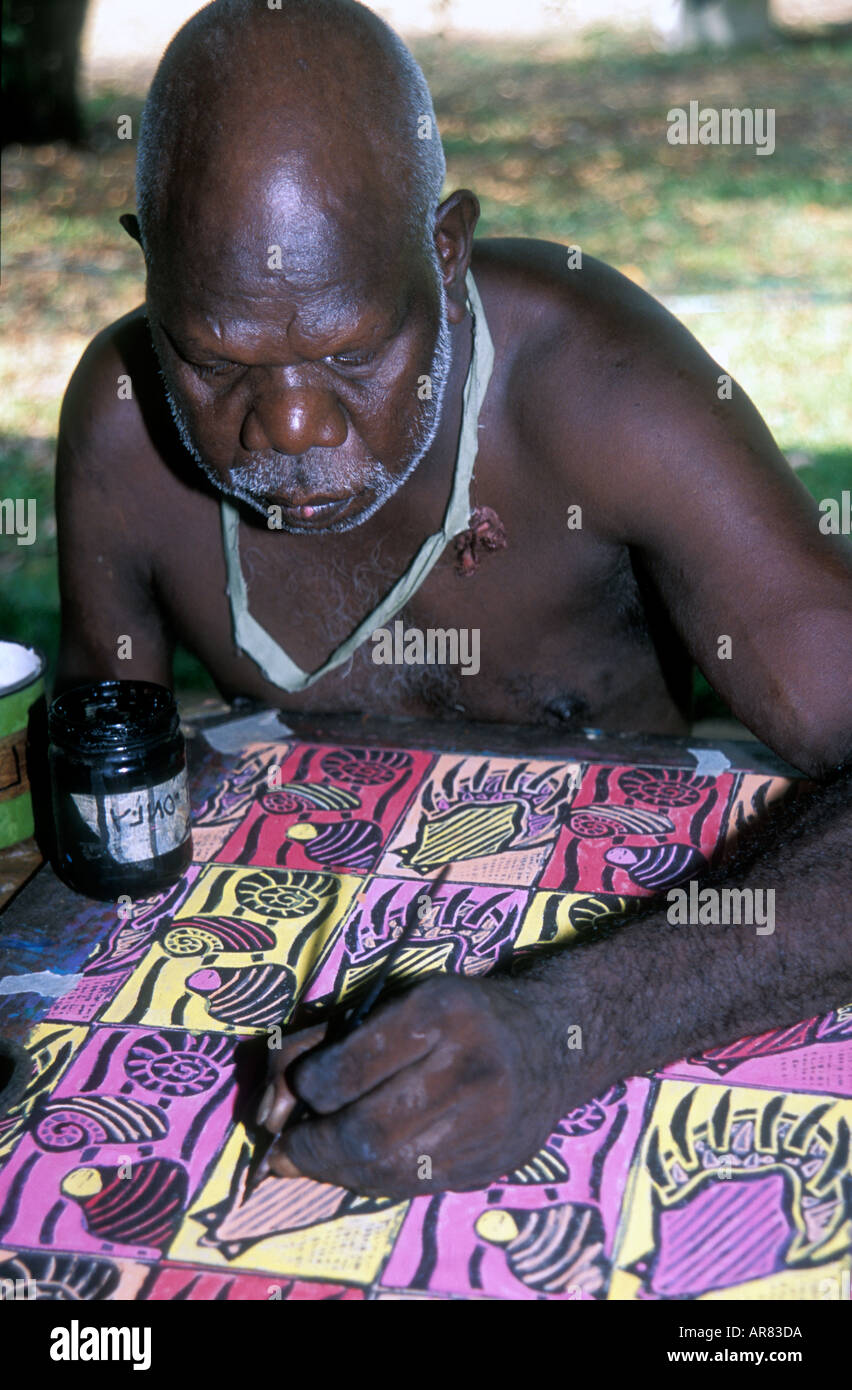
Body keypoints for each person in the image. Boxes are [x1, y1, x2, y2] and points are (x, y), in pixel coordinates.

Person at [55, 0, 851, 1197]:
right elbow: (97, 807)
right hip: (294, 1018)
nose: (291, 428)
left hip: (652, 1012)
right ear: (149, 267)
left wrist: (565, 1027)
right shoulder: (120, 428)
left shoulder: (602, 387)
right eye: (216, 362)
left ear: (445, 249)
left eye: (351, 351)